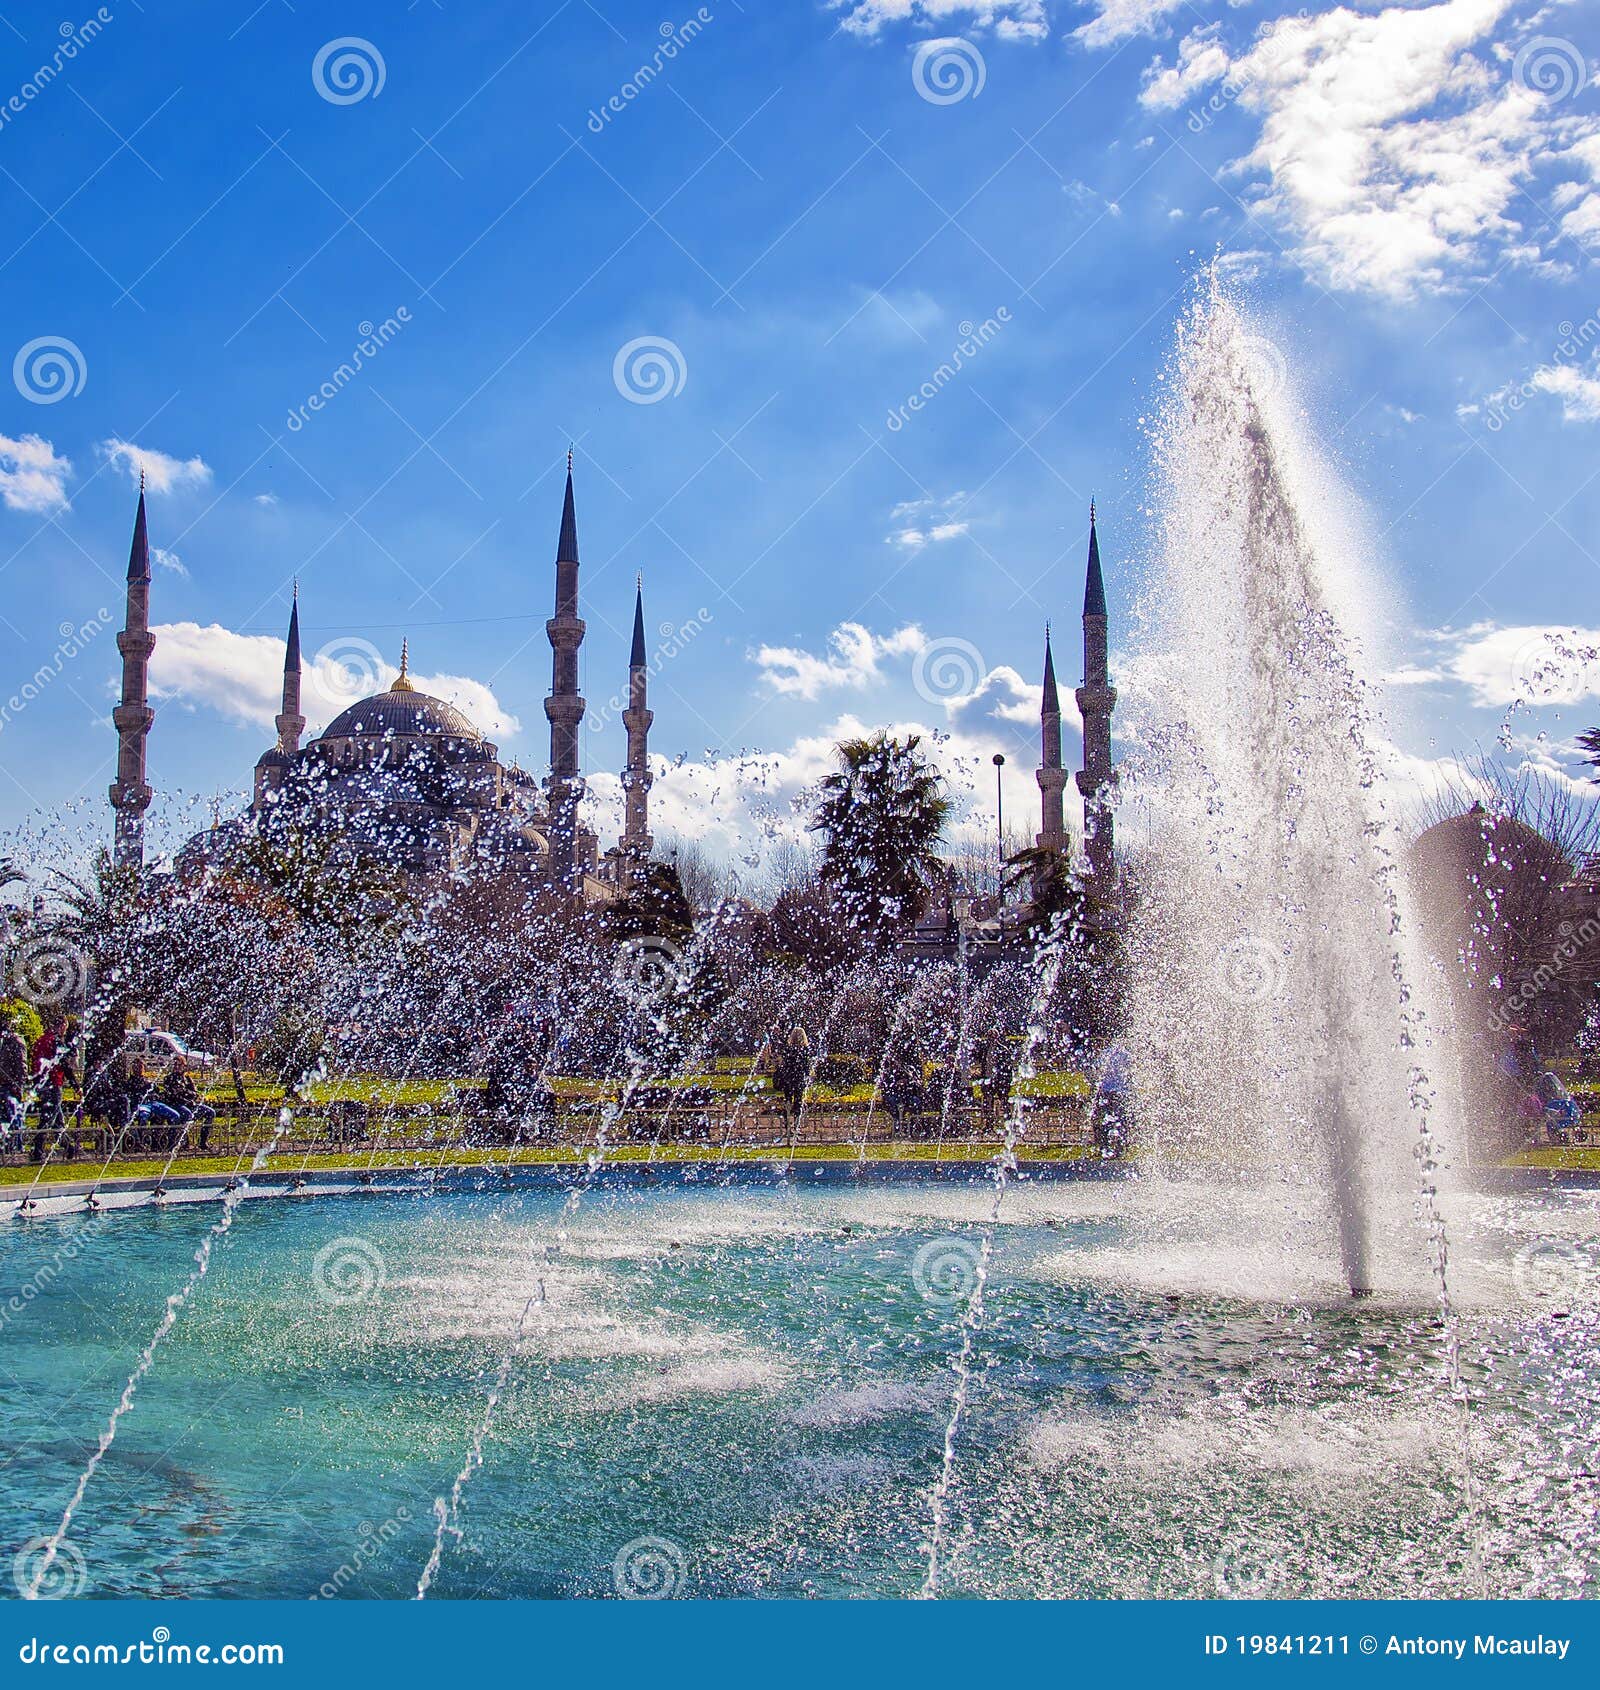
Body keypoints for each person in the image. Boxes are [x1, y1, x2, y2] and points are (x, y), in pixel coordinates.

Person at [30, 1017, 78, 1163]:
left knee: (57, 1118)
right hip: (54, 1082)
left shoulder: (41, 1039)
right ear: (62, 1025)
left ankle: (68, 1146)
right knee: (48, 1119)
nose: (66, 1031)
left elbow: (35, 1063)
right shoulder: (56, 1041)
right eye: (66, 1027)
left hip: (42, 1084)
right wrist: (76, 1086)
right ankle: (37, 1151)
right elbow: (64, 1065)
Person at [160, 1054, 216, 1150]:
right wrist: (185, 1094)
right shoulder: (169, 1078)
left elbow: (194, 1093)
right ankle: (183, 1141)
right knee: (187, 1114)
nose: (177, 1067)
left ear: (184, 1066)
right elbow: (173, 1095)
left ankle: (203, 1141)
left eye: (179, 1065)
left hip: (189, 1104)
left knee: (210, 1112)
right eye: (175, 1065)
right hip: (175, 1105)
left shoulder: (187, 1079)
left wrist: (184, 1092)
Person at [1091, 1045, 1134, 1157]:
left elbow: (1096, 1071)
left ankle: (1105, 1148)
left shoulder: (1105, 1053)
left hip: (1106, 1091)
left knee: (1106, 1120)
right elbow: (1131, 1071)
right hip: (1121, 1091)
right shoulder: (1126, 1054)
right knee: (1121, 1120)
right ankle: (1120, 1148)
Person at [1, 1013, 29, 1152]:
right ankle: (7, 1146)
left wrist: (19, 1085)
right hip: (3, 1084)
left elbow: (22, 1065)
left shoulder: (16, 1042)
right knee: (5, 1117)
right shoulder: (5, 1042)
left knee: (14, 1116)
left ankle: (17, 1147)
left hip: (12, 1085)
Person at [978, 1032, 1016, 1134]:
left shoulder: (1003, 1050)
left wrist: (1007, 1081)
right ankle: (989, 1125)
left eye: (992, 1037)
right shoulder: (985, 1050)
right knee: (988, 1103)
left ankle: (1009, 1125)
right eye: (989, 1037)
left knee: (1004, 1102)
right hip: (988, 1081)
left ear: (997, 1037)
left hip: (1001, 1081)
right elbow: (983, 1065)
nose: (991, 1039)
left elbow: (1008, 1067)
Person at [775, 1027, 810, 1122]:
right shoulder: (805, 1049)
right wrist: (807, 1077)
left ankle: (787, 1124)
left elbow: (784, 1063)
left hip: (788, 1078)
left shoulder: (788, 1048)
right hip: (799, 1078)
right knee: (798, 1101)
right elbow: (806, 1065)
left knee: (788, 1100)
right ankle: (796, 1124)